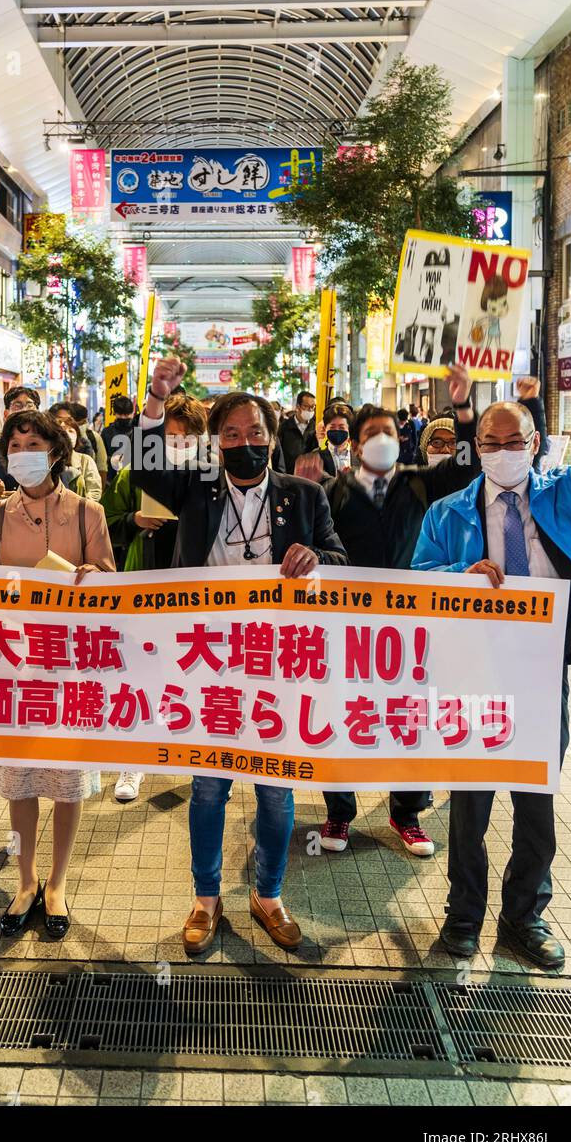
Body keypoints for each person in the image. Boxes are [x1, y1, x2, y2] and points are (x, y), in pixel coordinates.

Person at [133, 358, 347, 956]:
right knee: (208, 788)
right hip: (206, 663)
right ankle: (205, 898)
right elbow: (140, 461)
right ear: (214, 442)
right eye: (231, 434)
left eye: (255, 433)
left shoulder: (304, 495)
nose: (244, 443)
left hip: (279, 664)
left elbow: (341, 557)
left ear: (272, 439)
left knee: (277, 790)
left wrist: (318, 560)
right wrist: (156, 399)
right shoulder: (195, 488)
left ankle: (269, 894)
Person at [413, 399, 571, 971]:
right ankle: (463, 915)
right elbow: (416, 582)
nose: (500, 452)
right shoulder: (448, 514)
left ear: (535, 442)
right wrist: (458, 577)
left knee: (536, 804)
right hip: (475, 675)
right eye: (489, 443)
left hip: (543, 673)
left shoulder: (566, 494)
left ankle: (525, 916)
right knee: (470, 806)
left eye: (512, 441)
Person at [317, 364, 477, 859]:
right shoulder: (334, 491)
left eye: (388, 431)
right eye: (371, 434)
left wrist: (466, 410)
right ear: (358, 445)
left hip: (411, 624)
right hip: (349, 625)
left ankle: (405, 812)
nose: (380, 440)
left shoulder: (418, 482)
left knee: (410, 715)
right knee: (343, 713)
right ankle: (340, 812)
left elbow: (468, 466)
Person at [0, 410, 115, 940]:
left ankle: (57, 883)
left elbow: (110, 578)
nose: (22, 453)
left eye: (33, 443)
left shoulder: (87, 513)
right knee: (21, 778)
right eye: (14, 444)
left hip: (70, 662)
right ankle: (26, 879)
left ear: (55, 451)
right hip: (15, 666)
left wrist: (92, 574)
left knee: (66, 779)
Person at [102, 392, 208, 803]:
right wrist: (134, 519)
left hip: (195, 594)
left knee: (195, 676)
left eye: (188, 436)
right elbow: (105, 521)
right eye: (171, 435)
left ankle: (203, 766)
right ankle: (133, 763)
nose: (178, 442)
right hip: (144, 585)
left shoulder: (211, 480)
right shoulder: (135, 475)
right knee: (141, 675)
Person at [0, 385, 40, 502]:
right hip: (4, 515)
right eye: (17, 406)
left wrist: (24, 498)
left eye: (30, 405)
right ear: (5, 414)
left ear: (38, 412)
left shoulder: (46, 445)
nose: (24, 410)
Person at [48, 403, 103, 502]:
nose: (67, 435)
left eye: (71, 431)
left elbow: (94, 491)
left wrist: (77, 508)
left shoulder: (85, 460)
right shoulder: (47, 460)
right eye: (63, 432)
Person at [298, 403, 354, 480]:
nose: (337, 430)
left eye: (341, 427)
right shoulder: (315, 457)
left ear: (349, 429)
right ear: (325, 429)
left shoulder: (359, 456)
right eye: (332, 427)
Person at [278, 390, 317, 473]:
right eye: (306, 406)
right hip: (288, 475)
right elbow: (278, 454)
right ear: (298, 406)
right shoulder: (285, 427)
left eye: (313, 407)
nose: (310, 410)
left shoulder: (316, 428)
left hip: (309, 476)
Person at [69, 401, 108, 482]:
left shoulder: (94, 437)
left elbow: (102, 467)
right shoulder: (59, 439)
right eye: (83, 422)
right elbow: (102, 468)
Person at [101, 395, 137, 481]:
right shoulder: (107, 432)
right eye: (121, 414)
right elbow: (101, 458)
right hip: (112, 480)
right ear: (115, 413)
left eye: (127, 414)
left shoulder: (141, 430)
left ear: (133, 412)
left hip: (136, 480)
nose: (124, 417)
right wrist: (111, 459)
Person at [515, 376, 550, 464]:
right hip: (531, 447)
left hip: (532, 447)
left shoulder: (532, 403)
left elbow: (536, 384)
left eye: (522, 386)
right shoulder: (530, 403)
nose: (519, 388)